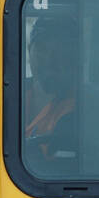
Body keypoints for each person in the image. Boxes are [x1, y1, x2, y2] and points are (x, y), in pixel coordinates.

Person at [23, 18, 78, 169]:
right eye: (41, 50)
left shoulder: (77, 112)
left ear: (73, 59)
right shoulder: (10, 93)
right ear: (29, 51)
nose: (49, 61)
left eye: (60, 52)